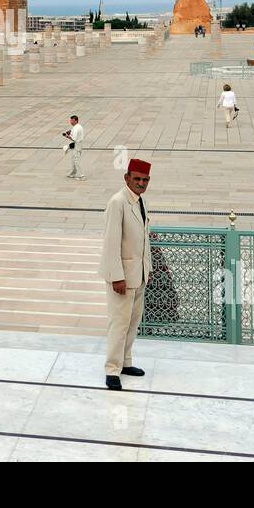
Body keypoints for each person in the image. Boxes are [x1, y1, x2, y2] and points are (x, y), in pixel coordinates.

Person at [100, 158, 153, 390]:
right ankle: (112, 369)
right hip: (122, 277)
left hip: (139, 274)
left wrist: (147, 270)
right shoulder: (118, 202)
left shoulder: (140, 201)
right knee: (118, 324)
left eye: (145, 180)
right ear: (127, 178)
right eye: (137, 179)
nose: (141, 183)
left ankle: (125, 362)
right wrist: (116, 276)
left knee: (132, 323)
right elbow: (111, 242)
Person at [63, 114, 86, 181]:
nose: (71, 122)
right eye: (70, 120)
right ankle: (72, 173)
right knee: (73, 159)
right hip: (78, 144)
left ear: (76, 121)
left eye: (72, 121)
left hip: (77, 146)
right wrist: (70, 132)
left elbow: (74, 138)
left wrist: (67, 136)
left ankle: (82, 175)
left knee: (76, 161)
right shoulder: (78, 126)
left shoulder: (76, 128)